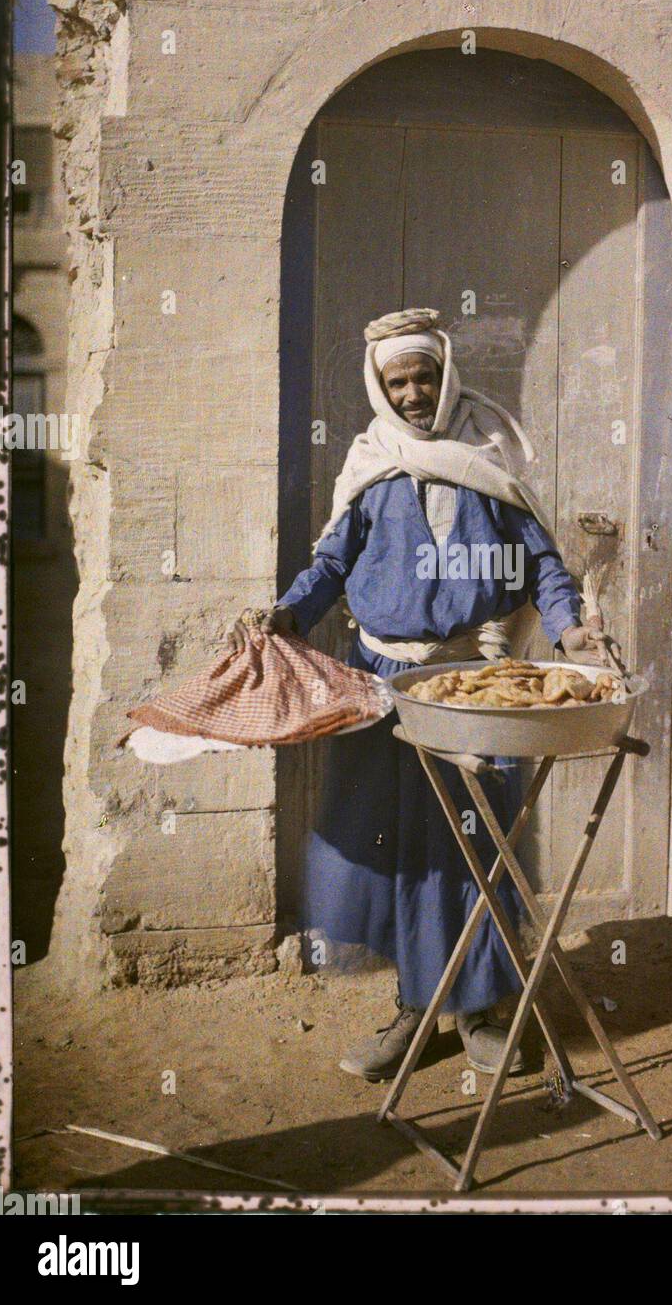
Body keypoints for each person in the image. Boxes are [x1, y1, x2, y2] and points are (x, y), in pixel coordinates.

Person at [229, 308, 608, 1080]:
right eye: (397, 381)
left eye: (423, 377)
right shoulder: (374, 465)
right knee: (399, 853)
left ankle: (480, 1011)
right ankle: (414, 1008)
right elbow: (330, 566)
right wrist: (285, 614)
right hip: (382, 686)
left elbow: (543, 565)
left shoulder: (488, 455)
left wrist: (572, 633)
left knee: (475, 853)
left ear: (445, 375)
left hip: (476, 684)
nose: (411, 394)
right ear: (380, 386)